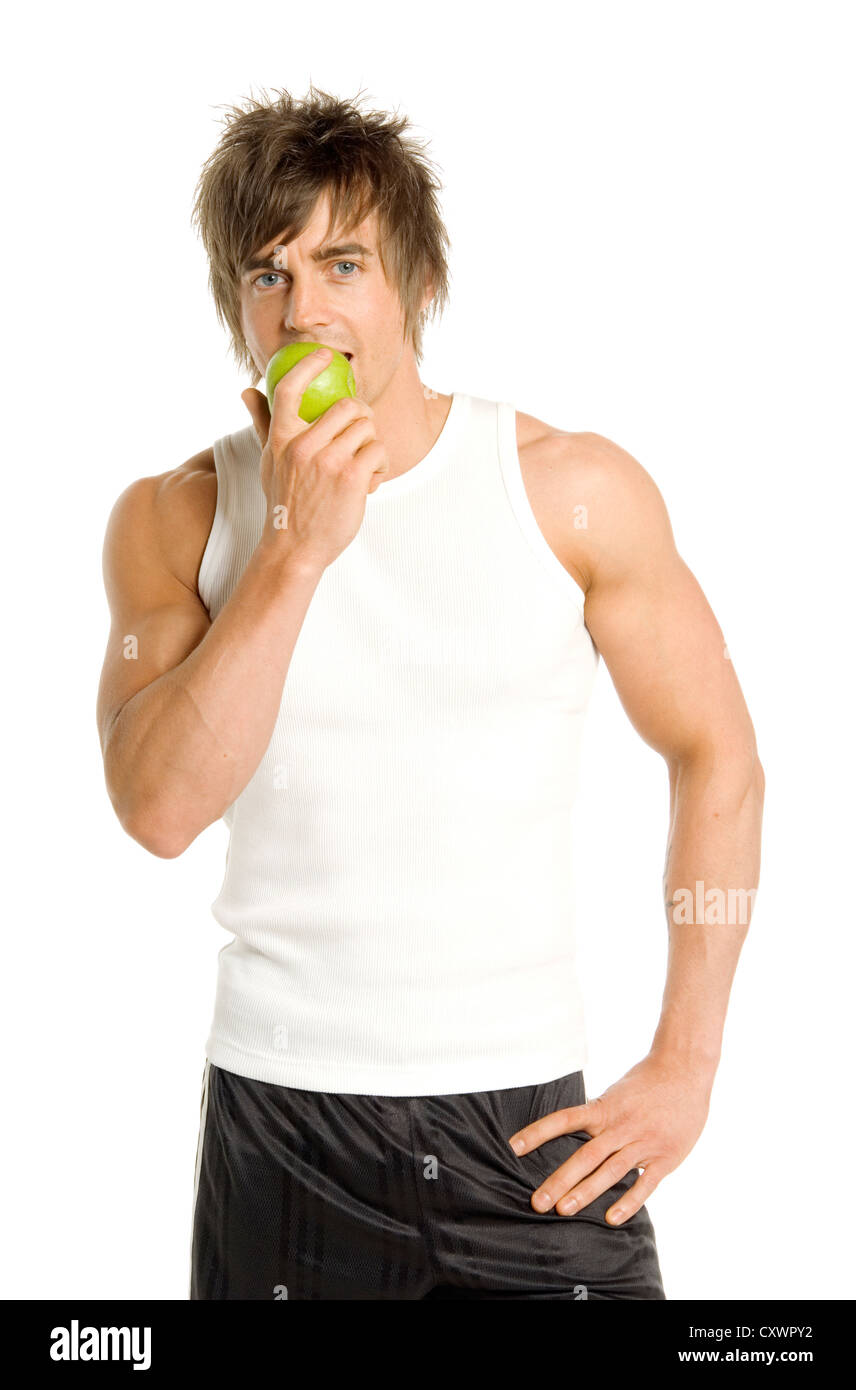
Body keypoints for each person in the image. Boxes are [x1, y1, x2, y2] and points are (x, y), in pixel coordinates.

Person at [96, 85, 765, 1301]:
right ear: (237, 308)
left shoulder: (570, 490)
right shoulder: (178, 514)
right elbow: (157, 811)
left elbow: (716, 749)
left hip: (526, 1134)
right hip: (283, 1124)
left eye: (341, 263)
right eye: (266, 275)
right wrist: (295, 548)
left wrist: (686, 1061)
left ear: (412, 285)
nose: (305, 308)